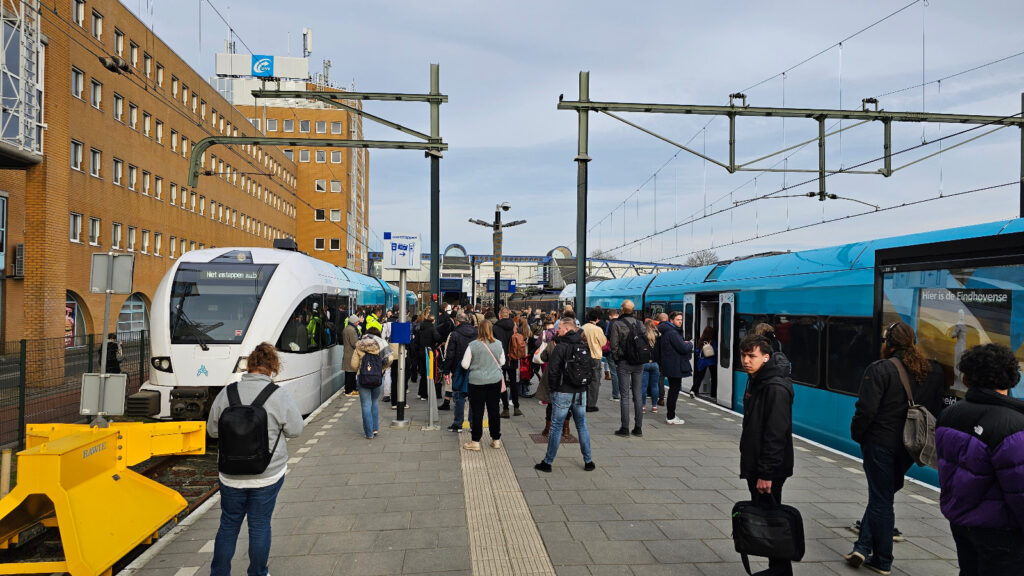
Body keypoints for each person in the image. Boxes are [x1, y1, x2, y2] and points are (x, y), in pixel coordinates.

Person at [846, 321, 944, 575]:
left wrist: (858, 435)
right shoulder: (932, 370)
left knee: (881, 499)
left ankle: (882, 559)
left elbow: (866, 410)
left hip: (880, 443)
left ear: (889, 343)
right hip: (911, 446)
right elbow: (935, 408)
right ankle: (862, 545)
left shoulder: (879, 369)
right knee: (884, 494)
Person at [207, 343, 303, 576]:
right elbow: (296, 430)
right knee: (259, 526)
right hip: (266, 475)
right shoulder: (278, 394)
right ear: (272, 369)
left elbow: (212, 431)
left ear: (249, 367)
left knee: (228, 525)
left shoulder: (227, 393)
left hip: (230, 476)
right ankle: (258, 573)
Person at [935, 343, 1024, 576]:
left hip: (962, 522)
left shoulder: (950, 414)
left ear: (967, 377)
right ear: (1011, 378)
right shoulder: (1013, 426)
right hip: (1001, 532)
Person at [738, 334, 794, 576]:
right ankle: (778, 569)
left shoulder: (774, 388)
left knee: (772, 520)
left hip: (768, 469)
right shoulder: (758, 380)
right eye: (743, 355)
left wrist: (766, 474)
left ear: (766, 357)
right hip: (759, 465)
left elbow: (775, 433)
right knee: (769, 517)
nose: (746, 360)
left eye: (752, 356)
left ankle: (780, 570)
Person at [534, 316, 595, 473]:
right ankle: (588, 461)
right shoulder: (583, 344)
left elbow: (553, 370)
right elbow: (590, 368)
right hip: (580, 392)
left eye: (559, 328)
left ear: (567, 329)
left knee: (556, 426)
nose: (557, 330)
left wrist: (554, 390)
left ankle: (547, 462)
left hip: (563, 391)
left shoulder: (561, 347)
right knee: (582, 425)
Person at [460, 319, 506, 451]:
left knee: (477, 412)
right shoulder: (498, 344)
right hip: (494, 381)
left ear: (479, 329)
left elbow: (465, 364)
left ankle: (475, 441)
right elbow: (502, 361)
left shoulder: (472, 345)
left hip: (477, 382)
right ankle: (496, 439)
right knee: (494, 411)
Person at [608, 300, 646, 437]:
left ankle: (624, 428)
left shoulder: (617, 324)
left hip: (624, 362)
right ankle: (638, 428)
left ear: (622, 310)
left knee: (624, 396)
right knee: (638, 395)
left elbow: (614, 345)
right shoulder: (640, 324)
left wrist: (617, 360)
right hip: (639, 363)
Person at [350, 327, 393, 438]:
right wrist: (382, 368)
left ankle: (369, 433)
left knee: (365, 404)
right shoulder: (382, 344)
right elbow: (390, 359)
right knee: (374, 402)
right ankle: (375, 429)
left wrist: (361, 370)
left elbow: (353, 365)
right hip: (378, 378)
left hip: (363, 378)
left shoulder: (359, 345)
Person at [441, 313, 478, 432]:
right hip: (474, 368)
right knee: (473, 398)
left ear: (457, 322)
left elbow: (450, 354)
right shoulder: (476, 333)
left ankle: (458, 424)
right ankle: (473, 424)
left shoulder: (455, 334)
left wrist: (446, 370)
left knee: (459, 396)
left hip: (458, 368)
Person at [658, 311, 693, 425]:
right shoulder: (672, 332)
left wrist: (683, 343)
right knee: (674, 391)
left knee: (673, 390)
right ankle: (671, 416)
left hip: (671, 364)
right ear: (671, 320)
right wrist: (690, 343)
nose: (680, 322)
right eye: (678, 320)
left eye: (681, 320)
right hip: (675, 366)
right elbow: (682, 348)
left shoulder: (668, 331)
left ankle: (671, 415)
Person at [491, 308, 521, 418]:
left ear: (500, 316)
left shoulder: (495, 327)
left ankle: (505, 409)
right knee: (513, 382)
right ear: (508, 315)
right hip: (513, 357)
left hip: (500, 358)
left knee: (502, 383)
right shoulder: (515, 326)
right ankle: (516, 407)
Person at [580, 309, 608, 413]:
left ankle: (583, 401)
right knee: (595, 381)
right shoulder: (597, 329)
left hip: (583, 357)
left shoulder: (582, 328)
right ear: (597, 318)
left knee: (584, 380)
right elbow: (603, 342)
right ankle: (591, 404)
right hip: (595, 356)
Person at [414, 313, 442, 401]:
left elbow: (416, 342)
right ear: (433, 321)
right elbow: (438, 338)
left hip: (421, 352)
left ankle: (420, 393)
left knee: (423, 373)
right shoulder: (432, 329)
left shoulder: (420, 328)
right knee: (429, 373)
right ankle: (425, 394)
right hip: (429, 352)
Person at [640, 318, 661, 414]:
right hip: (655, 363)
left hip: (644, 363)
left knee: (643, 386)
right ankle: (654, 407)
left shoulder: (642, 336)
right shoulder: (659, 336)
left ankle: (643, 407)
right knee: (654, 385)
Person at [693, 325, 717, 398]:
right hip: (711, 361)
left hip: (702, 361)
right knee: (714, 377)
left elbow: (697, 351)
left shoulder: (701, 340)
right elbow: (715, 351)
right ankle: (713, 393)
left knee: (699, 377)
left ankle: (693, 390)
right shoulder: (712, 341)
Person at [341, 314, 361, 396]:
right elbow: (354, 343)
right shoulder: (352, 330)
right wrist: (360, 341)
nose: (358, 323)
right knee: (351, 373)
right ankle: (349, 391)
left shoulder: (346, 329)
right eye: (357, 322)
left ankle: (348, 389)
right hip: (351, 354)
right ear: (353, 322)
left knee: (348, 373)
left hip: (347, 353)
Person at [604, 310, 621, 401]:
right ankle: (623, 392)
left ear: (610, 316)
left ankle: (615, 395)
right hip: (621, 352)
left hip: (611, 350)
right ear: (617, 315)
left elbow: (606, 336)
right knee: (621, 372)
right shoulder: (622, 322)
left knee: (614, 373)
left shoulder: (610, 324)